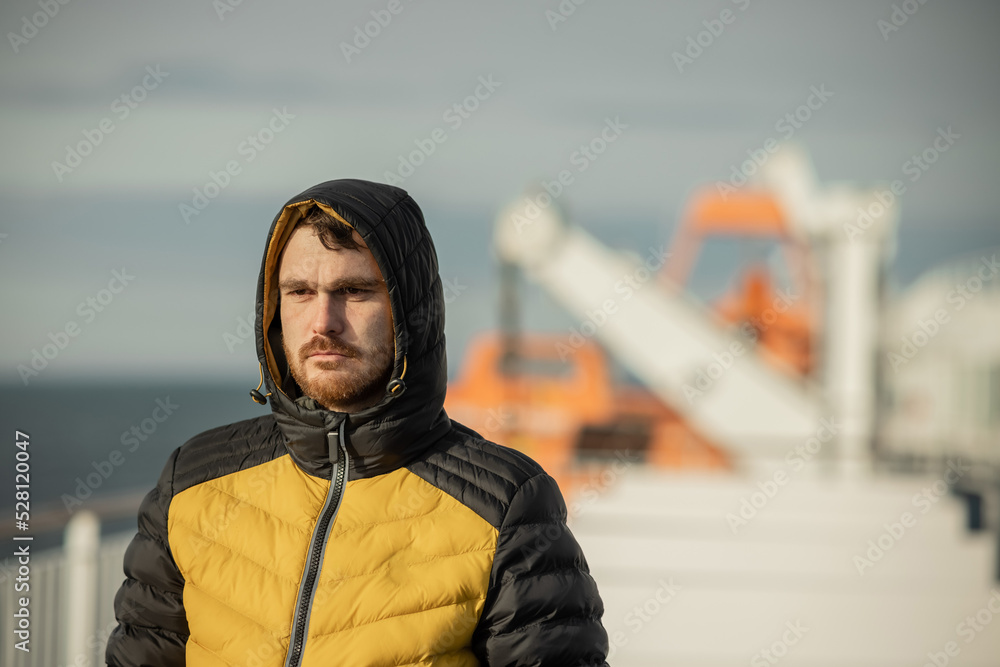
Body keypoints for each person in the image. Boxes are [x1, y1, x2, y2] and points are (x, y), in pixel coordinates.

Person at [105, 178, 610, 666]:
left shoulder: (507, 505)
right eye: (299, 292)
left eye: (354, 290)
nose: (323, 321)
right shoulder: (193, 479)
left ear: (410, 312)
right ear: (274, 312)